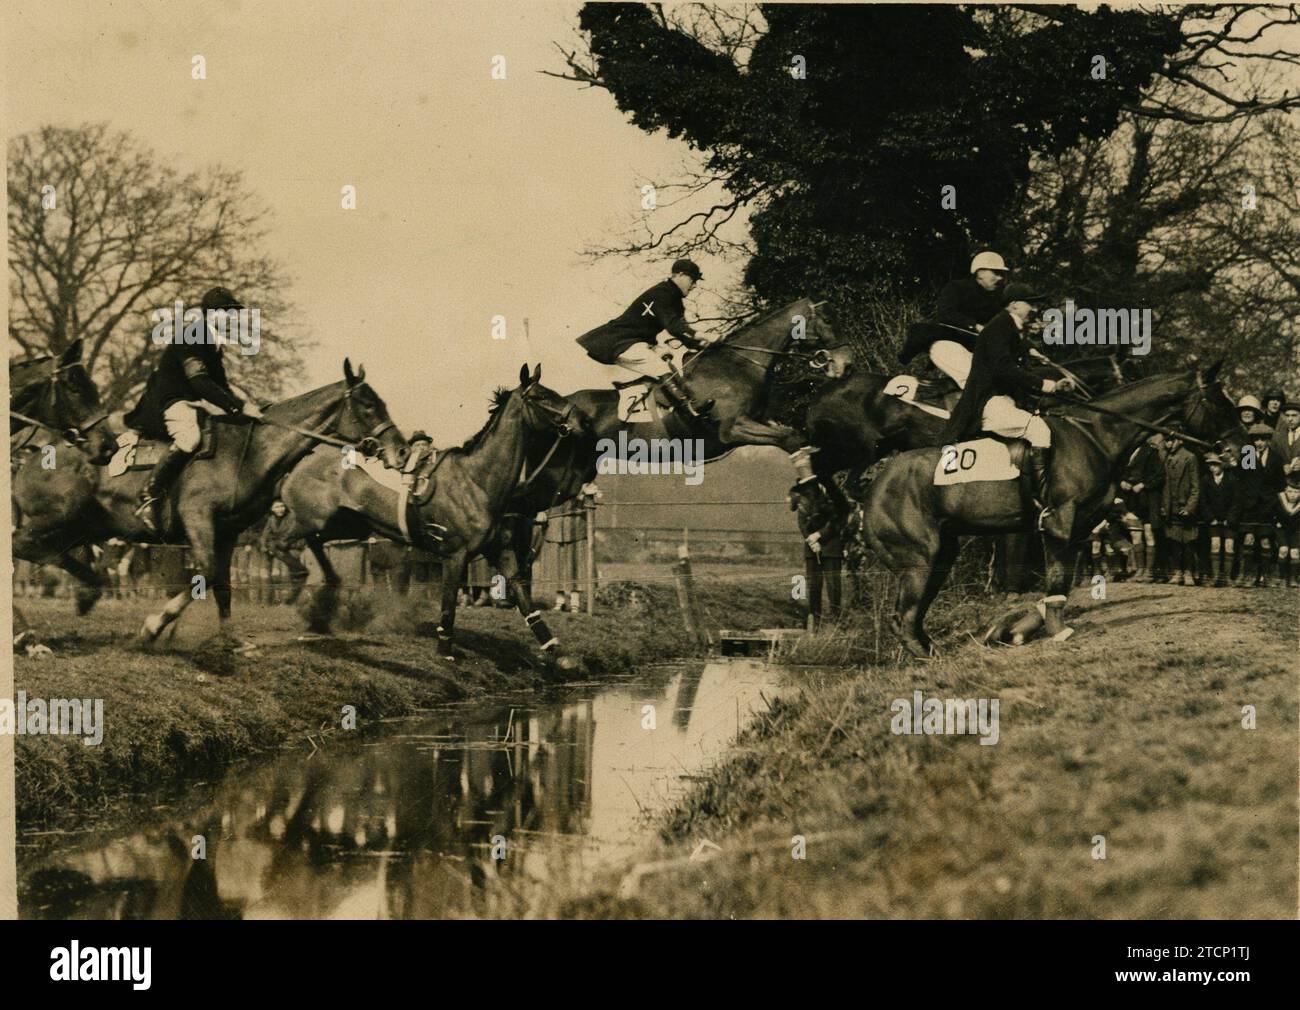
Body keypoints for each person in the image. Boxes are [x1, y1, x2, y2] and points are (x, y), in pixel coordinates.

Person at [940, 282, 1074, 539]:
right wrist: (1045, 385)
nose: (1034, 308)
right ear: (1013, 305)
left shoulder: (1011, 328)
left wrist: (1037, 358)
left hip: (1004, 400)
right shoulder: (1000, 327)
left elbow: (1018, 355)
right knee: (1040, 430)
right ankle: (1043, 505)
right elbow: (1004, 368)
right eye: (1029, 303)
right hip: (990, 403)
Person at [125, 286, 263, 532]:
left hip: (191, 401)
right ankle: (148, 494)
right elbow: (199, 382)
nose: (233, 318)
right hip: (170, 401)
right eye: (227, 313)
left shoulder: (212, 342)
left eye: (234, 314)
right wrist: (239, 407)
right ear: (211, 313)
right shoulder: (193, 335)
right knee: (190, 439)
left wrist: (246, 407)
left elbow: (220, 385)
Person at [575, 259, 714, 418]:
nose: (694, 285)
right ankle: (689, 408)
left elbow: (682, 332)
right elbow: (674, 327)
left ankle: (678, 404)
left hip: (636, 342)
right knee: (659, 367)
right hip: (619, 341)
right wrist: (704, 335)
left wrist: (701, 344)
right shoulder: (662, 293)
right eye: (692, 279)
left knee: (671, 364)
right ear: (680, 275)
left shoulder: (675, 299)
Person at [898, 250, 1008, 388]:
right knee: (977, 383)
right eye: (996, 273)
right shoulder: (957, 288)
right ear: (980, 273)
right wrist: (975, 325)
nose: (1000, 278)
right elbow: (946, 313)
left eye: (1002, 274)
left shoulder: (998, 297)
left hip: (976, 348)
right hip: (948, 344)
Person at [1235, 422, 1286, 587]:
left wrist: (1273, 504)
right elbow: (1243, 480)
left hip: (1268, 506)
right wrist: (1245, 500)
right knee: (1248, 539)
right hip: (1250, 505)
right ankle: (1247, 575)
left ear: (1268, 440)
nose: (1259, 443)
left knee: (1265, 541)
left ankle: (1265, 576)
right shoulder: (1248, 454)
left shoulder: (1275, 458)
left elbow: (1280, 485)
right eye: (1256, 439)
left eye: (1263, 439)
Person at [1119, 434, 1166, 582]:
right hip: (1132, 500)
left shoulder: (1151, 452)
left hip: (1148, 500)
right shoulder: (1127, 451)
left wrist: (1143, 485)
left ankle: (1149, 572)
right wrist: (1123, 482)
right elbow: (1121, 472)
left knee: (1149, 534)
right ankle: (1140, 569)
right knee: (1135, 534)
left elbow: (1160, 476)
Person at [1160, 433, 1200, 585]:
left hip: (1185, 506)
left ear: (1180, 440)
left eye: (1172, 440)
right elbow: (1164, 485)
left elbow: (1195, 487)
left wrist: (1190, 507)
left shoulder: (1190, 457)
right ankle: (1177, 572)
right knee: (1174, 540)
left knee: (1188, 540)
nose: (1169, 444)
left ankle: (1188, 573)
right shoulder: (1166, 458)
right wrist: (1164, 505)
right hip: (1171, 506)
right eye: (1167, 441)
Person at [1198, 452, 1240, 587]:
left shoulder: (1232, 479)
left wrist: (1230, 518)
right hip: (1213, 520)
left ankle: (1227, 577)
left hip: (1229, 520)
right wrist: (1210, 518)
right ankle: (1216, 577)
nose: (1212, 468)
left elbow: (1236, 502)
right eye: (1210, 465)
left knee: (1229, 545)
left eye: (1215, 465)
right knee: (1215, 544)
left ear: (1222, 465)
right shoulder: (1205, 480)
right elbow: (1203, 501)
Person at [260, 500, 308, 603]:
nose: (280, 509)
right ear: (272, 509)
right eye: (276, 507)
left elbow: (293, 534)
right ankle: (278, 599)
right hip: (278, 550)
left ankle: (291, 600)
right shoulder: (271, 519)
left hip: (291, 548)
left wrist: (283, 545)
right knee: (275, 574)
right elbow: (265, 535)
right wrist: (264, 547)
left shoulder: (291, 517)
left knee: (287, 574)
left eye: (282, 506)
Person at [1277, 468, 1300, 588]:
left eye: (1296, 492)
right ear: (1285, 491)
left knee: (1295, 552)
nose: (1292, 495)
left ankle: (1293, 578)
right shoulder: (1279, 501)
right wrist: (1276, 522)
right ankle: (1281, 577)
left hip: (1296, 531)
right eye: (1290, 491)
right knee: (1283, 550)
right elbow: (1273, 515)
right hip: (1282, 530)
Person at [1270, 401, 1300, 469]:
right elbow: (1271, 457)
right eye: (1287, 415)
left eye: (1294, 415)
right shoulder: (1277, 435)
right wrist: (1282, 465)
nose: (1290, 419)